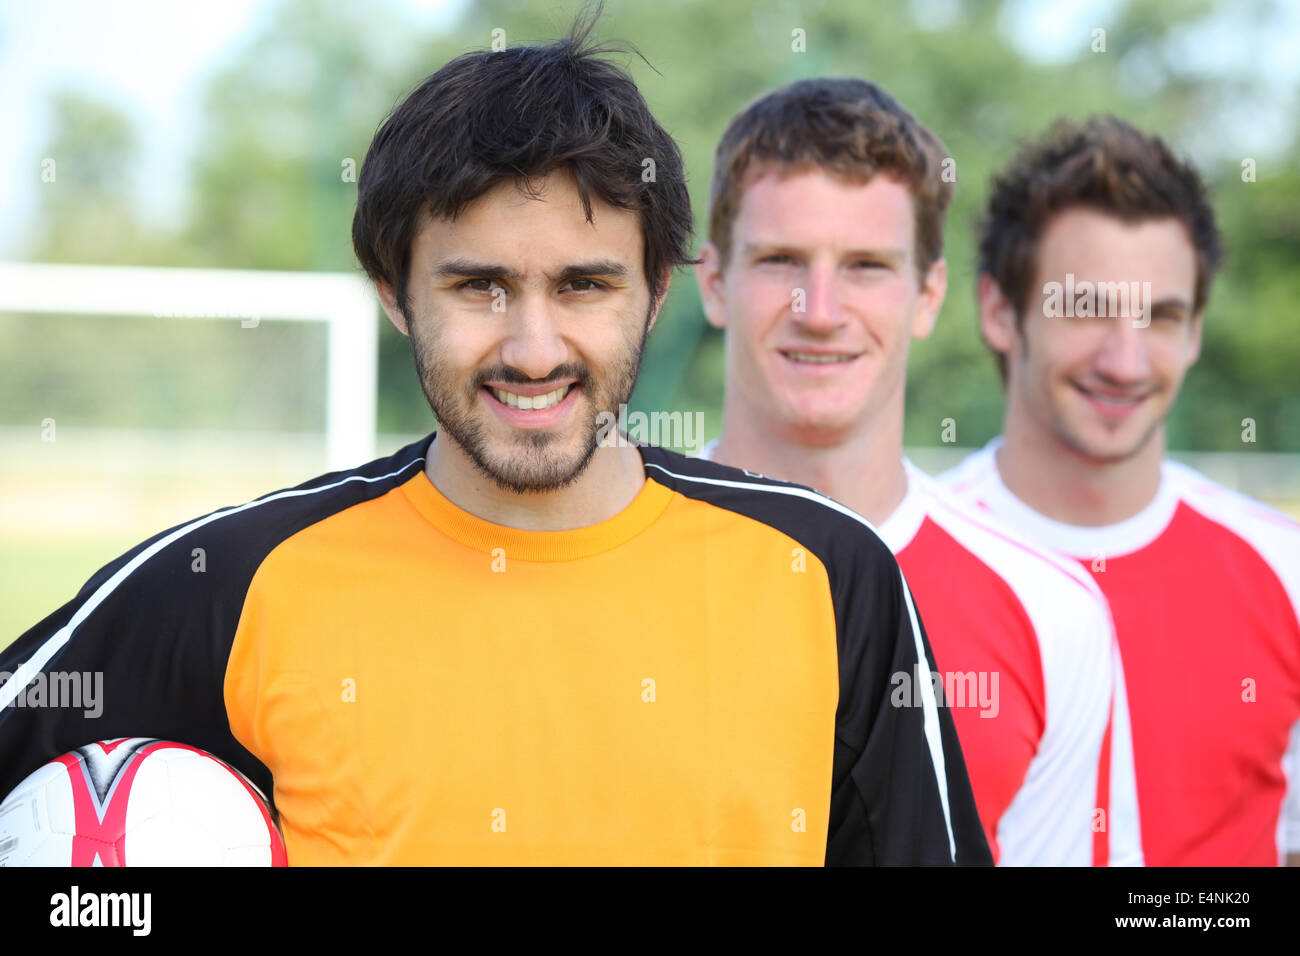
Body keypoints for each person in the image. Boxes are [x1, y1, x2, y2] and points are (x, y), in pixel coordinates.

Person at [0, 10, 988, 866]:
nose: (532, 347)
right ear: (392, 292)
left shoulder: (826, 573)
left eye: (582, 285)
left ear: (657, 294)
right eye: (479, 285)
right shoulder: (231, 578)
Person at [695, 78, 1140, 864]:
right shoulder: (607, 558)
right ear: (714, 282)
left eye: (866, 265)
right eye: (781, 260)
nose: (821, 308)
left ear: (928, 295)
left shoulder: (1053, 613)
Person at [942, 115, 1300, 866]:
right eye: (1088, 309)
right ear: (1000, 312)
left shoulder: (1285, 573)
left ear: (1196, 331)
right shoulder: (897, 567)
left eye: (1162, 316)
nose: (1127, 360)